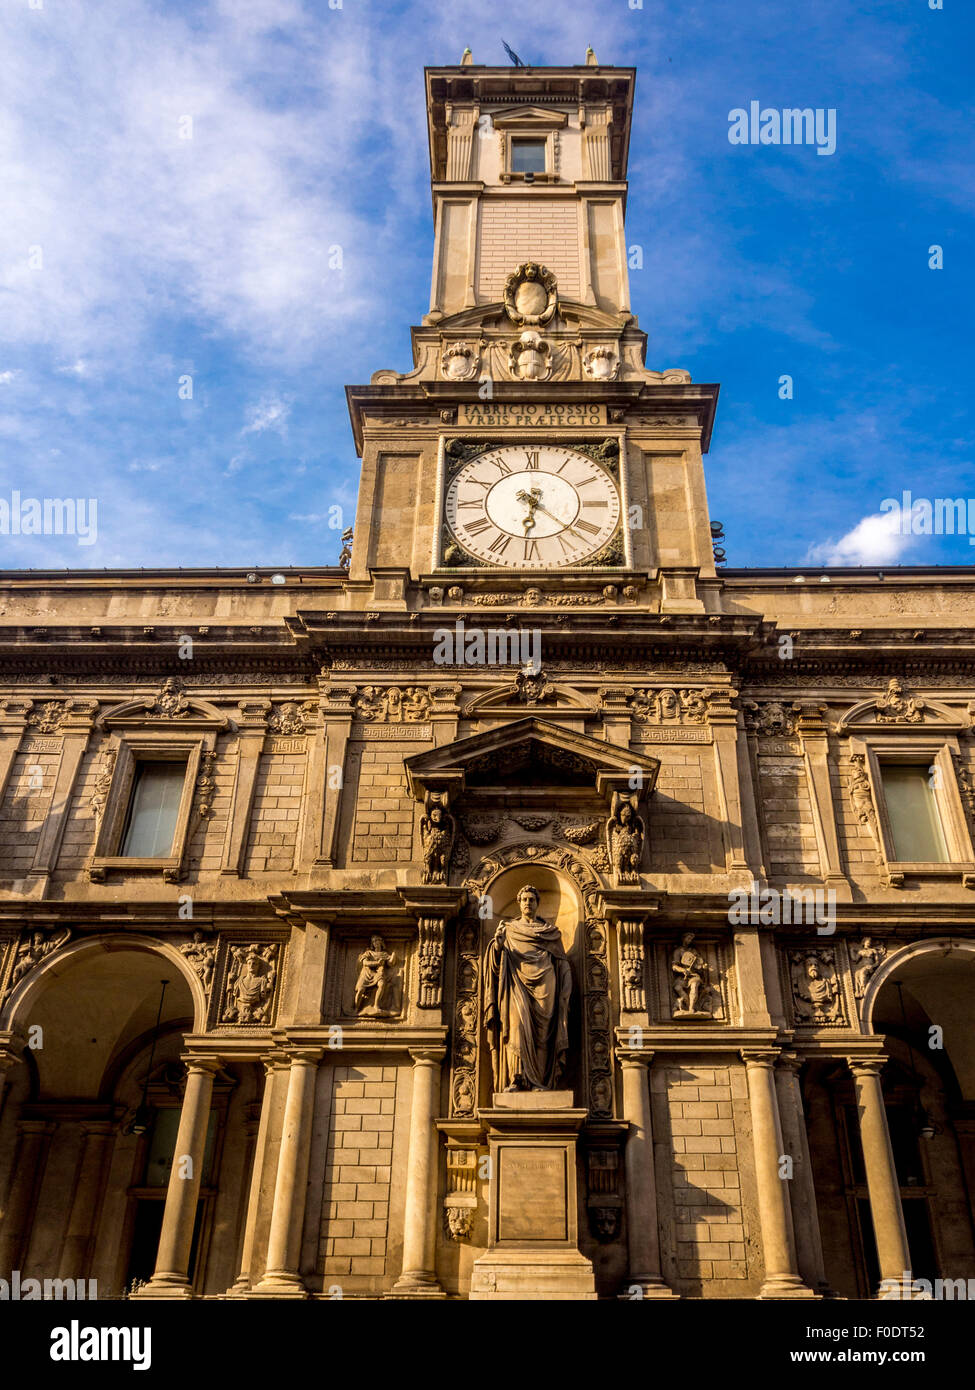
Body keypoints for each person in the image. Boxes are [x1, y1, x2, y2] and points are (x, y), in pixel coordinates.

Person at [483, 885, 571, 1092]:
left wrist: (566, 986)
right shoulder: (509, 929)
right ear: (519, 903)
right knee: (516, 1028)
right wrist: (497, 946)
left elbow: (561, 961)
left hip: (546, 985)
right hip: (516, 984)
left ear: (537, 903)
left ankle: (540, 1083)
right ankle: (517, 1079)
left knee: (543, 1034)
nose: (528, 903)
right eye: (524, 899)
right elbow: (494, 967)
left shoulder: (549, 932)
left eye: (532, 899)